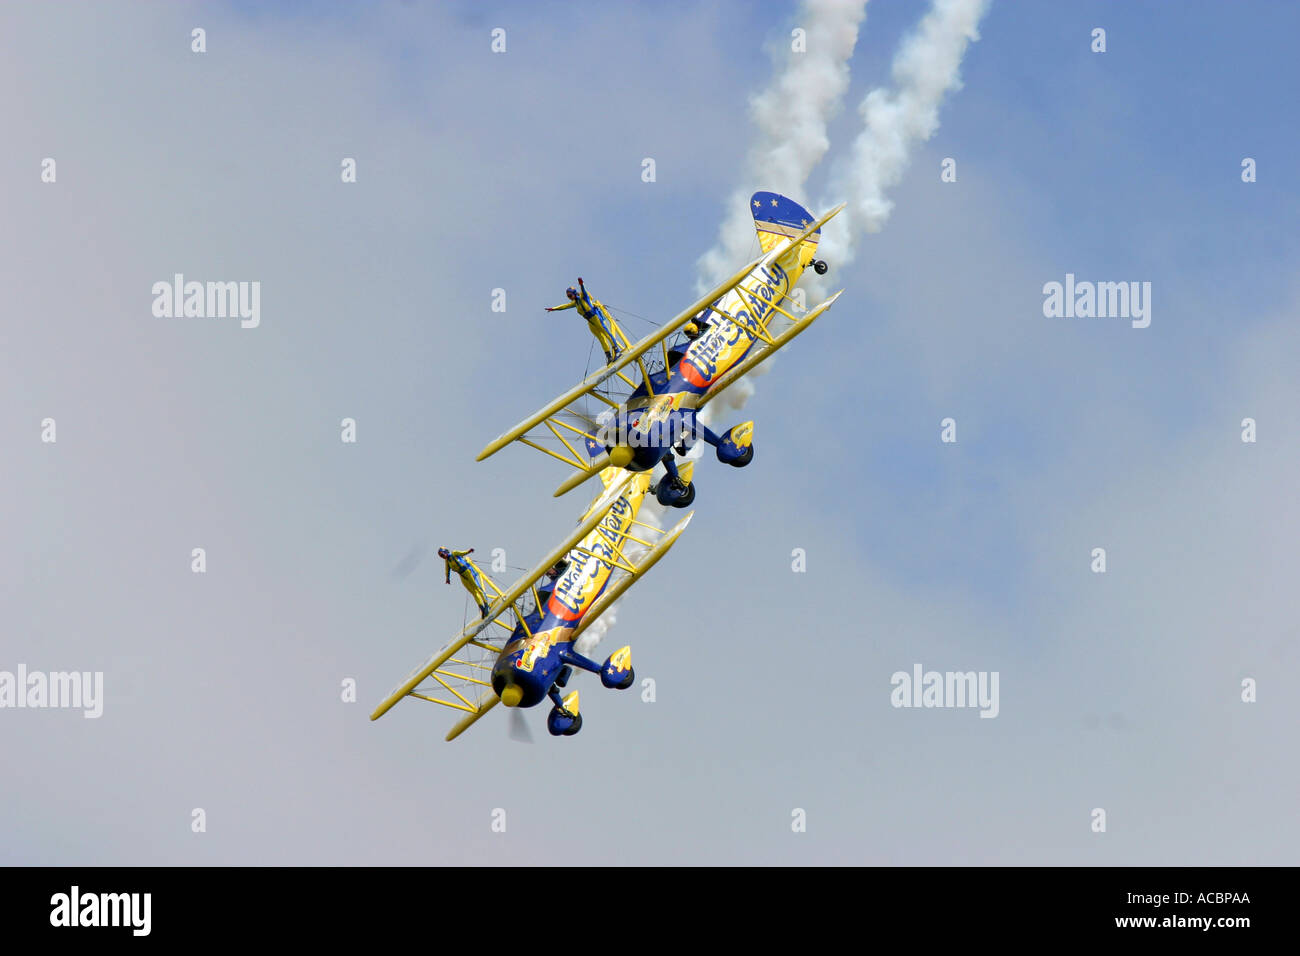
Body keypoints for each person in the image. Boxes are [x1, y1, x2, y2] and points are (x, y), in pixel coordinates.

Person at [546, 277, 623, 364]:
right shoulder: (575, 303)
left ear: (574, 293)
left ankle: (617, 351)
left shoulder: (584, 297)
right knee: (601, 339)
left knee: (607, 334)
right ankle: (608, 356)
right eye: (568, 296)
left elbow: (584, 291)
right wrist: (553, 309)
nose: (569, 298)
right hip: (590, 322)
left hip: (595, 318)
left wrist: (581, 284)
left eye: (570, 295)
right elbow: (564, 306)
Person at [438, 547, 491, 619]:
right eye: (441, 556)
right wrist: (447, 578)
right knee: (473, 592)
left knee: (477, 588)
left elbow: (462, 553)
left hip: (468, 571)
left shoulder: (454, 553)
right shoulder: (447, 561)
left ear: (445, 552)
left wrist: (469, 551)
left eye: (442, 554)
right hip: (462, 575)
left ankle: (486, 605)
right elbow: (447, 570)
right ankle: (482, 608)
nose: (442, 557)